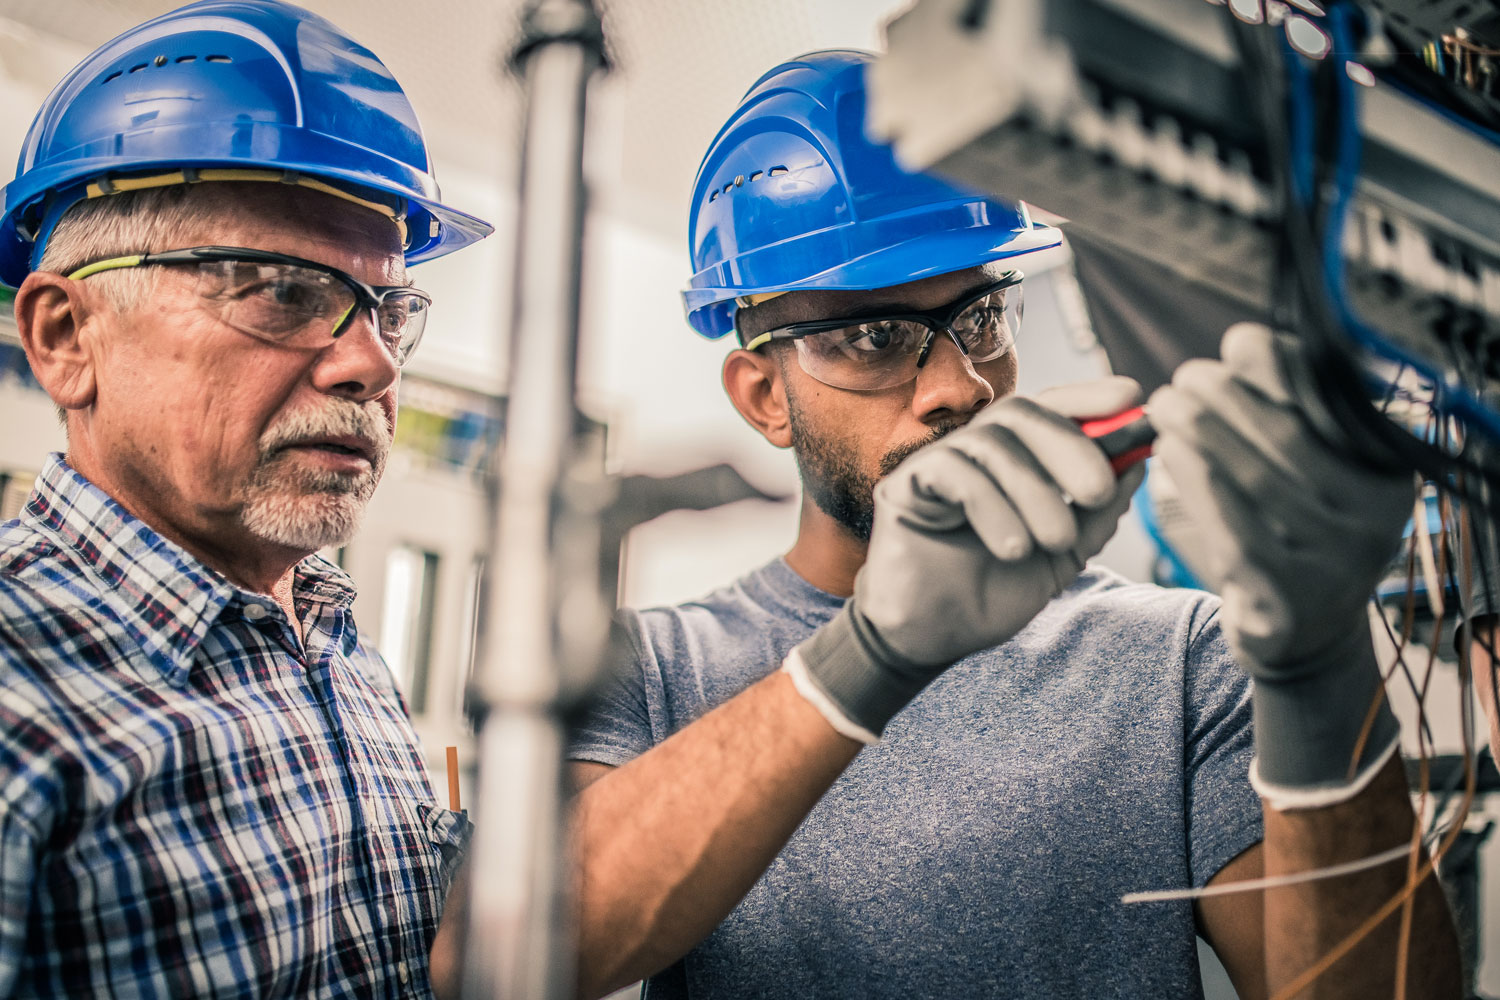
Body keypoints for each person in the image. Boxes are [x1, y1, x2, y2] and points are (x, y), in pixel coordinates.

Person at [442, 50, 1460, 999]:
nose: (958, 385)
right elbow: (491, 964)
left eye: (979, 317)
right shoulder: (653, 666)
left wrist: (1321, 669)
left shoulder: (1183, 654)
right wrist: (869, 655)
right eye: (879, 336)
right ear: (763, 395)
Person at [0, 2, 491, 996]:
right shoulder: (19, 704)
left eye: (390, 310)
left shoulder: (339, 650)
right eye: (277, 287)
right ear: (64, 338)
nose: (373, 363)